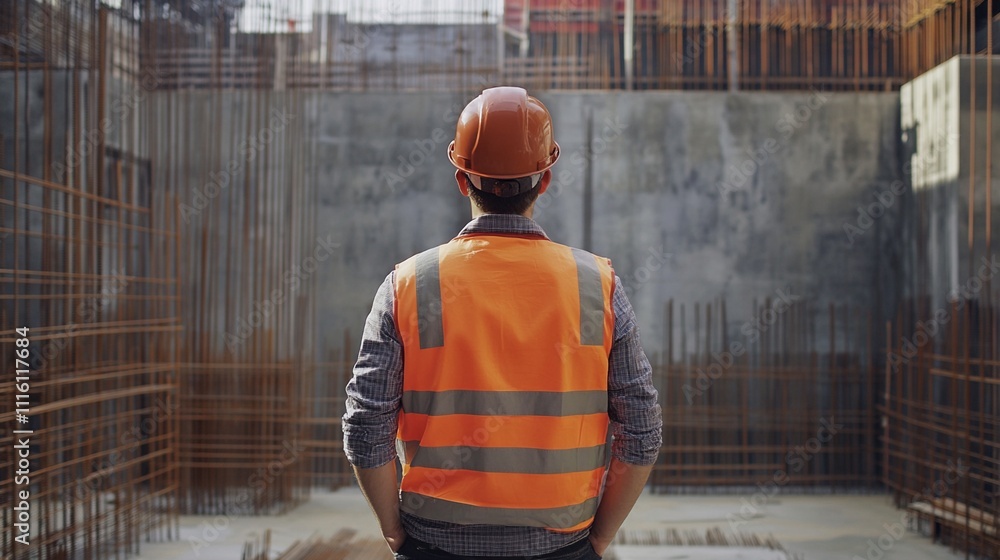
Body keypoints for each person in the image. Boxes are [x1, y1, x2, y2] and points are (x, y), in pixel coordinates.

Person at [343, 86, 662, 560]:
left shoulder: (408, 285)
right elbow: (642, 432)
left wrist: (394, 530)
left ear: (461, 178)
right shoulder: (598, 286)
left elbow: (366, 427)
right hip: (562, 544)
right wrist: (597, 539)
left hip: (434, 543)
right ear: (546, 178)